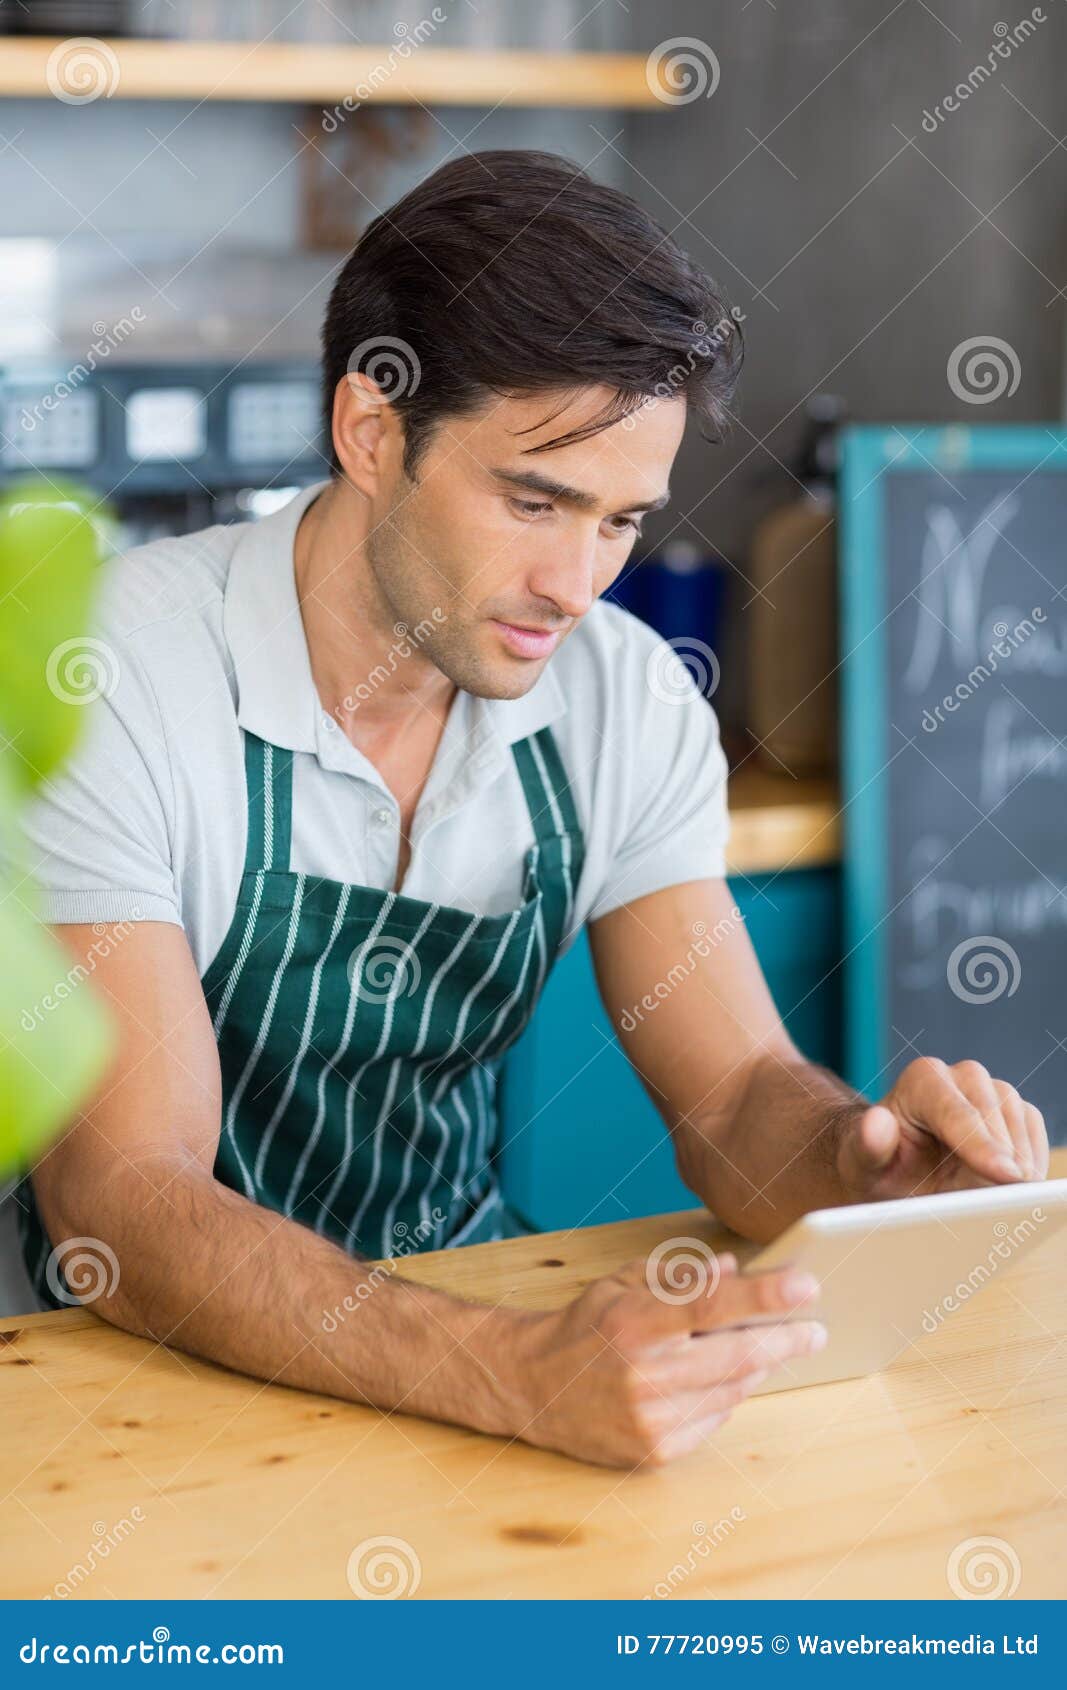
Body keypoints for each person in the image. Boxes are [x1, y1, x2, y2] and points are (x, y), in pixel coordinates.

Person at [16, 151, 1047, 1469]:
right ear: (372, 431)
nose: (576, 586)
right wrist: (507, 1370)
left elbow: (735, 1095)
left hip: (456, 1330)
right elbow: (130, 1197)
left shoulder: (627, 704)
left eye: (620, 521)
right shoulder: (117, 671)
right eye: (534, 501)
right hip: (119, 1386)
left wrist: (868, 1171)